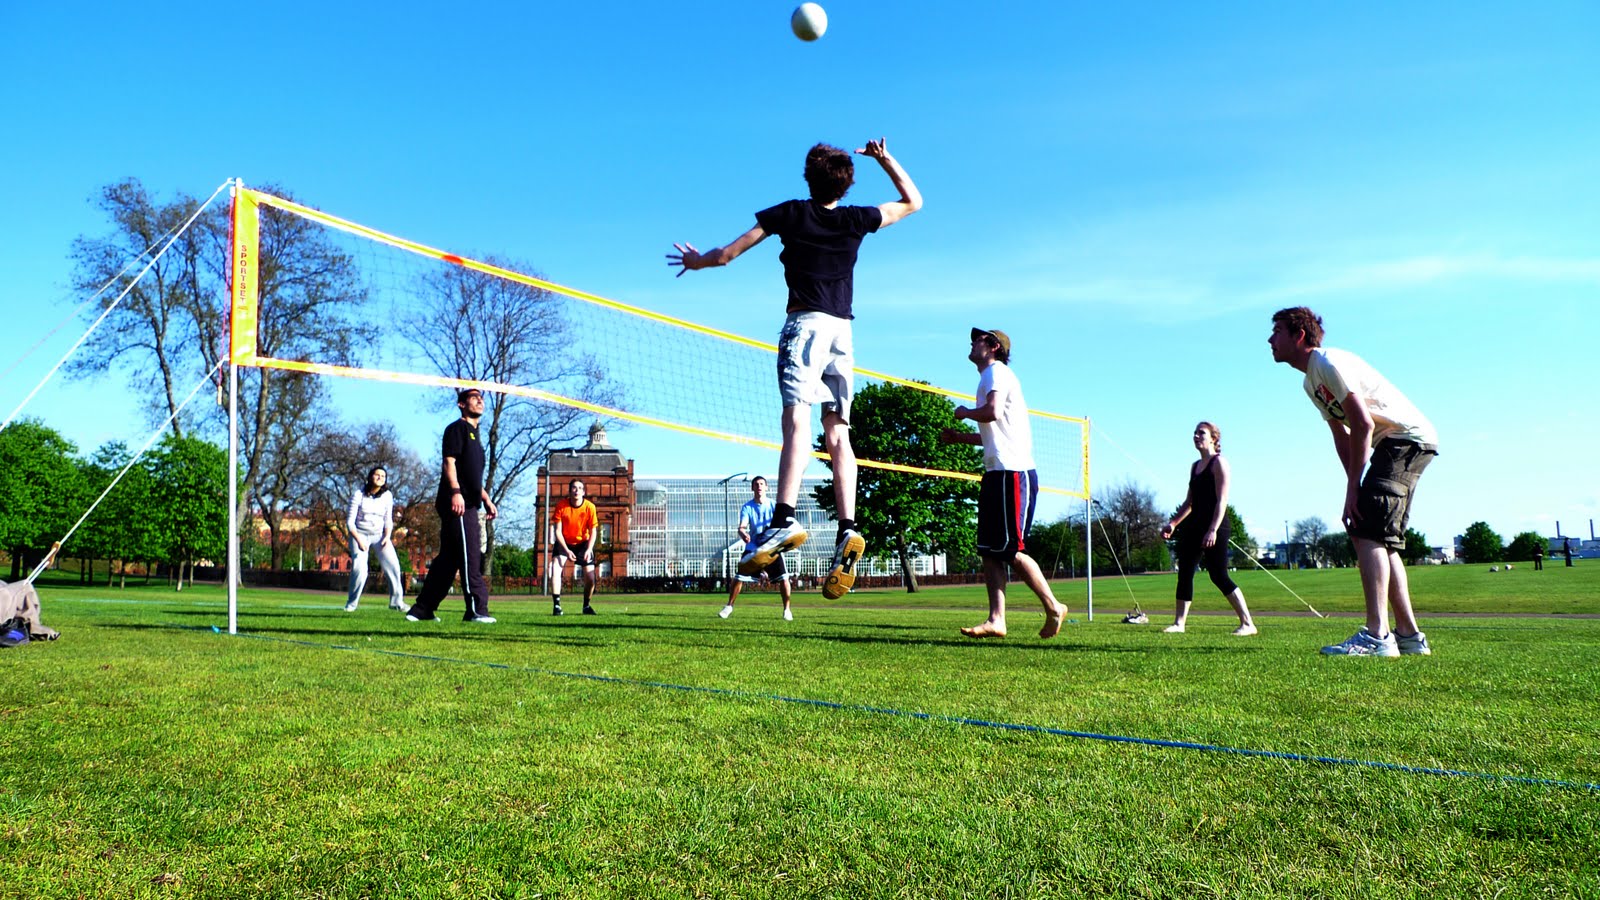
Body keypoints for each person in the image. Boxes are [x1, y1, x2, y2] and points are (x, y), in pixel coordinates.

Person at [668, 138, 922, 600]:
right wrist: (885, 159)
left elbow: (726, 254)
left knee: (796, 421)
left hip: (805, 325)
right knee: (838, 432)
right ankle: (848, 527)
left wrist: (694, 261)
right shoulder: (855, 218)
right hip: (843, 332)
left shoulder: (790, 213)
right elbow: (913, 201)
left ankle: (783, 519)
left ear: (808, 177)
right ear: (846, 183)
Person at [1269, 307, 1438, 656]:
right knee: (1378, 536)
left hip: (1405, 439)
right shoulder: (1309, 382)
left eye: (1278, 331)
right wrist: (1352, 485)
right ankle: (1408, 636)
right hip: (1393, 443)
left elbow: (1363, 424)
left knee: (1365, 530)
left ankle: (1378, 636)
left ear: (1299, 336)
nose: (1271, 339)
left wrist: (1353, 490)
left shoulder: (1329, 364)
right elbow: (1341, 434)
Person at [939, 328, 1067, 640]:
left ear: (993, 346)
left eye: (978, 339)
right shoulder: (988, 377)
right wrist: (959, 439)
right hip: (996, 473)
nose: (972, 342)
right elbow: (992, 433)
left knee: (1011, 549)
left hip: (1014, 473)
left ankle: (1054, 606)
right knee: (989, 550)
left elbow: (992, 413)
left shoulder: (997, 372)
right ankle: (997, 619)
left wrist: (965, 414)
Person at [406, 388, 498, 624]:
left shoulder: (477, 439)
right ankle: (477, 610)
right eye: (473, 397)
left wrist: (486, 500)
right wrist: (456, 492)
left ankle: (422, 609)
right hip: (458, 504)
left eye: (481, 397)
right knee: (470, 556)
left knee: (448, 561)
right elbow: (449, 463)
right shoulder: (457, 429)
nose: (479, 400)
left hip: (470, 502)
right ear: (461, 404)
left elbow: (473, 477)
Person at [1158, 422, 1257, 636]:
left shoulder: (1219, 463)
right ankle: (1179, 623)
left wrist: (1212, 529)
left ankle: (1248, 623)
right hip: (1194, 525)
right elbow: (1189, 503)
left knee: (1218, 575)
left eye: (1201, 433)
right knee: (1184, 572)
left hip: (1216, 526)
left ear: (1213, 438)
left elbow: (1222, 501)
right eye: (1194, 433)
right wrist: (1173, 523)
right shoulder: (1195, 466)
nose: (1196, 436)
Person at [719, 476, 795, 621]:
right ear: (752, 488)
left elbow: (783, 524)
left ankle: (787, 610)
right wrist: (743, 533)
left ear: (766, 487)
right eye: (756, 484)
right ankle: (729, 606)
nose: (759, 486)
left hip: (771, 547)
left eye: (761, 484)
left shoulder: (774, 505)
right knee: (739, 577)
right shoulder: (747, 507)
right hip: (753, 547)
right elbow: (742, 526)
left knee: (784, 578)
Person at [344, 466, 408, 613]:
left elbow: (388, 520)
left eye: (383, 476)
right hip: (359, 534)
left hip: (380, 535)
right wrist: (359, 542)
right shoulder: (358, 494)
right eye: (377, 475)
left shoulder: (387, 496)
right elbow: (350, 523)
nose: (380, 478)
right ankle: (351, 604)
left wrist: (387, 537)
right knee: (359, 570)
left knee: (394, 567)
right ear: (370, 477)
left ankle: (397, 603)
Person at [550, 479, 599, 616]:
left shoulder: (590, 507)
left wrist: (589, 549)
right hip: (564, 542)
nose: (576, 490)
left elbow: (593, 531)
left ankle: (586, 606)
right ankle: (557, 606)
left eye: (580, 488)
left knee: (590, 577)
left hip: (583, 543)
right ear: (569, 490)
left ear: (584, 492)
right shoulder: (561, 506)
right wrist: (566, 550)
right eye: (574, 488)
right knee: (555, 567)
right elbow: (557, 531)